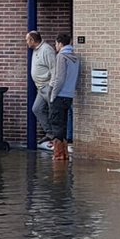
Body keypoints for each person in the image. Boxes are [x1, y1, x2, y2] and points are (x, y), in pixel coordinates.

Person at [47, 33, 80, 162]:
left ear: (60, 44)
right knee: (64, 125)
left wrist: (53, 95)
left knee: (56, 123)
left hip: (60, 95)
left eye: (56, 44)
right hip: (69, 95)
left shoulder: (61, 57)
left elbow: (59, 78)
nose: (55, 46)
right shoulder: (75, 58)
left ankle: (58, 154)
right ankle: (65, 154)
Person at [27, 31, 56, 149]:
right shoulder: (36, 49)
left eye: (27, 40)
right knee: (37, 109)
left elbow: (54, 69)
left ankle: (58, 139)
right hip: (40, 87)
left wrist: (51, 86)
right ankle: (51, 134)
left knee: (54, 112)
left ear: (32, 40)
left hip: (47, 86)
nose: (26, 42)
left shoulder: (46, 50)